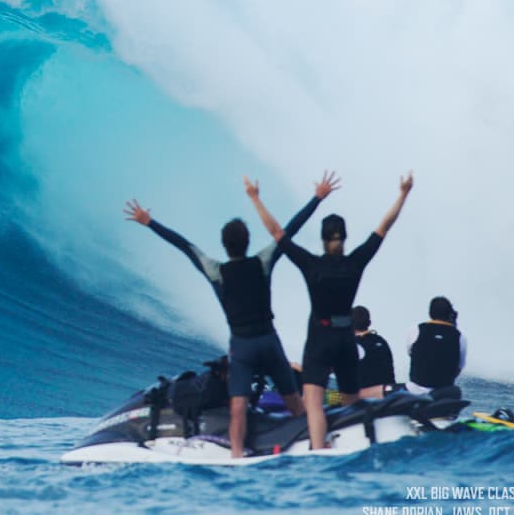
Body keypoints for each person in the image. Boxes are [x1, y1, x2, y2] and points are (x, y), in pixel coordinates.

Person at [122, 172, 338, 458]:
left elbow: (184, 245)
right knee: (295, 403)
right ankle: (313, 445)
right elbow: (288, 231)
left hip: (243, 348)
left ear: (225, 245)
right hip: (269, 343)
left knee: (238, 410)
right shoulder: (263, 261)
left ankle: (236, 457)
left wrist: (149, 223)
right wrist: (317, 199)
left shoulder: (216, 271)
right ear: (247, 241)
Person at [249, 171, 412, 450]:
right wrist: (403, 193)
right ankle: (355, 443)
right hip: (346, 341)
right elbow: (384, 227)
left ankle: (318, 449)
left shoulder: (311, 265)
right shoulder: (355, 263)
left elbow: (277, 233)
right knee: (351, 402)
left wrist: (255, 197)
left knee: (314, 403)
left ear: (323, 239)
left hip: (319, 339)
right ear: (344, 238)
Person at [406, 296, 467, 396]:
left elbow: (410, 353)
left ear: (430, 313)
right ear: (449, 314)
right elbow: (459, 368)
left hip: (415, 389)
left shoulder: (415, 329)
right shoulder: (460, 336)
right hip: (444, 392)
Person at [352, 305, 396, 399]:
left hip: (365, 395)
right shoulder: (381, 341)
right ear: (369, 323)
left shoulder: (352, 345)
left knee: (327, 395)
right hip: (387, 391)